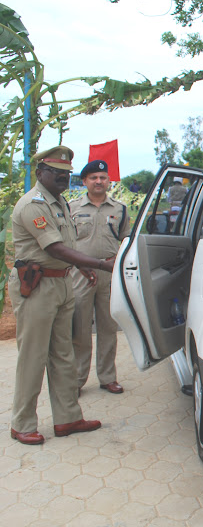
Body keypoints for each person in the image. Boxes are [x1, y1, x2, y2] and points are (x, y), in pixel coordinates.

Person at [8, 146, 113, 445]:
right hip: (37, 287)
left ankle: (67, 418)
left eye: (66, 174)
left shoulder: (59, 203)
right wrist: (100, 264)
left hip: (62, 283)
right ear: (41, 172)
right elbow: (54, 248)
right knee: (33, 356)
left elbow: (68, 245)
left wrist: (81, 267)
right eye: (56, 173)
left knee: (63, 354)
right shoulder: (33, 204)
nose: (63, 178)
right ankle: (22, 423)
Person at [70, 160, 131, 395]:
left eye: (103, 177)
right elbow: (65, 241)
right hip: (80, 275)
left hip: (108, 275)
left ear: (108, 181)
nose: (99, 181)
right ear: (84, 181)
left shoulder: (119, 208)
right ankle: (76, 380)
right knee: (80, 329)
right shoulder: (72, 207)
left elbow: (126, 240)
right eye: (94, 177)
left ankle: (107, 377)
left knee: (108, 328)